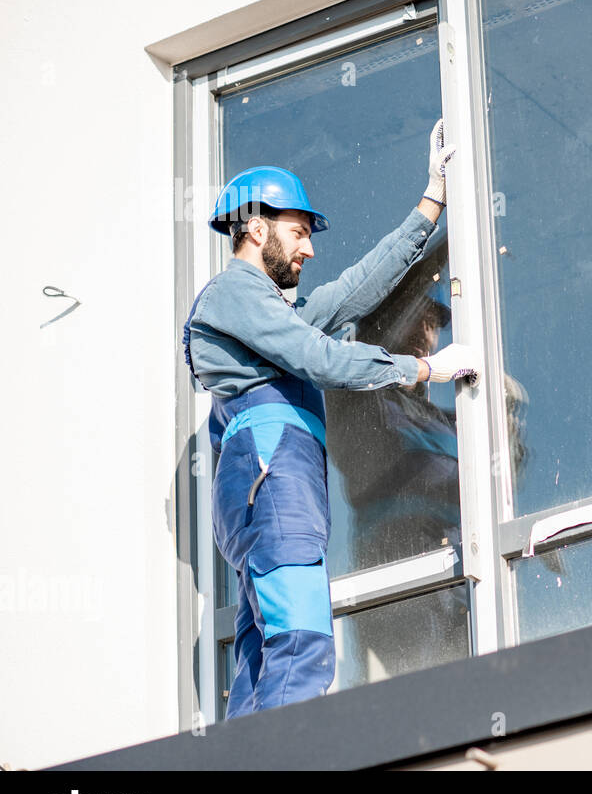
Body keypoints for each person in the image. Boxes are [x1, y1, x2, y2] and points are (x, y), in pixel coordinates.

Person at [182, 121, 481, 717]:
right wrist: (425, 371)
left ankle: (243, 760)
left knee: (262, 654)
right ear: (255, 226)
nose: (309, 248)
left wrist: (431, 203)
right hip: (273, 478)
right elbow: (319, 358)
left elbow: (354, 291)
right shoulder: (231, 295)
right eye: (298, 233)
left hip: (274, 482)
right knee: (302, 641)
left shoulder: (269, 313)